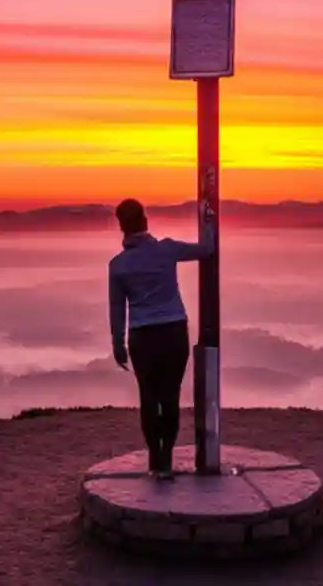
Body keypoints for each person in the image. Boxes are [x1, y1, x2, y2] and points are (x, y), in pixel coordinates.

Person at [108, 198, 214, 480]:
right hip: (173, 332)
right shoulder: (166, 250)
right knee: (170, 397)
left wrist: (117, 343)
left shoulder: (118, 266)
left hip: (142, 337)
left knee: (148, 397)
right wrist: (207, 216)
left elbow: (118, 309)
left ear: (122, 227)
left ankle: (155, 459)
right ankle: (166, 458)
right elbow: (207, 249)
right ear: (145, 221)